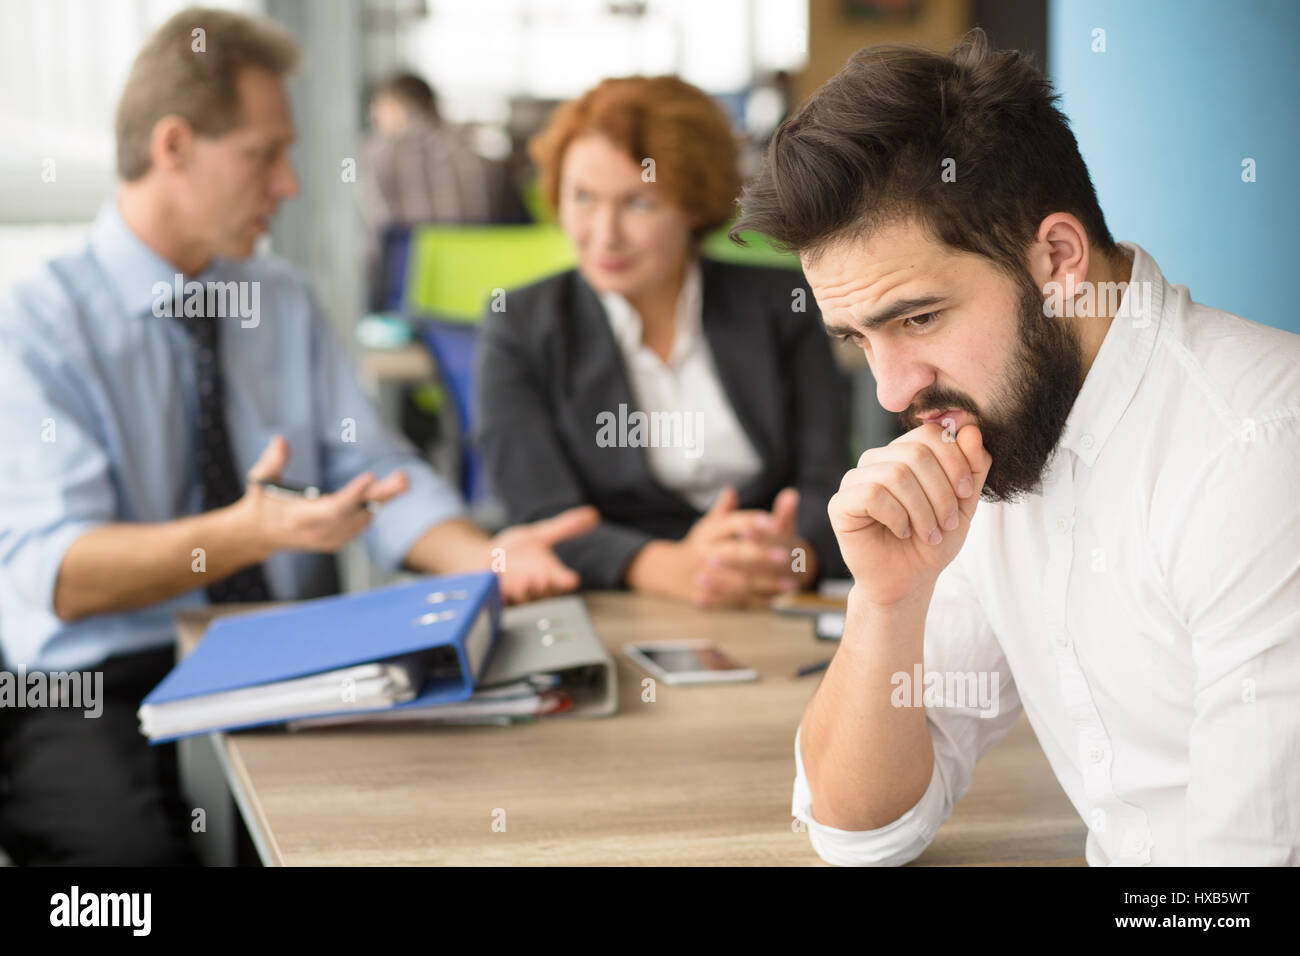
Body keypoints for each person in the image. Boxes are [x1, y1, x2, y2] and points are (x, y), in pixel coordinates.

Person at [0, 7, 594, 866]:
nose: (290, 185)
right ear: (173, 146)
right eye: (263, 154)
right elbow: (59, 577)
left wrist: (486, 557)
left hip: (280, 655)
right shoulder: (35, 327)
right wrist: (242, 534)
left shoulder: (278, 299)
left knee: (416, 832)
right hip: (98, 678)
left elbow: (377, 473)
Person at [733, 30, 1300, 865]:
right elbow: (858, 830)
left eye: (919, 318)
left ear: (1059, 260)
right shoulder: (1002, 426)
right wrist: (885, 604)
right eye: (858, 338)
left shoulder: (1257, 453)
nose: (892, 393)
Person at [476, 75, 850, 610]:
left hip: (773, 597)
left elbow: (828, 482)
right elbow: (539, 516)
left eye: (639, 204)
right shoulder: (518, 324)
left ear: (693, 204)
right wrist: (669, 568)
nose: (604, 234)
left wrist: (794, 555)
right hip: (613, 604)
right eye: (582, 198)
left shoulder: (783, 305)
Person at [361, 71, 529, 309]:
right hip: (484, 299)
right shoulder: (486, 158)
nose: (373, 118)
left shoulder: (370, 160)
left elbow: (368, 252)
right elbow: (520, 233)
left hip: (404, 302)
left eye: (377, 110)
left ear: (394, 106)